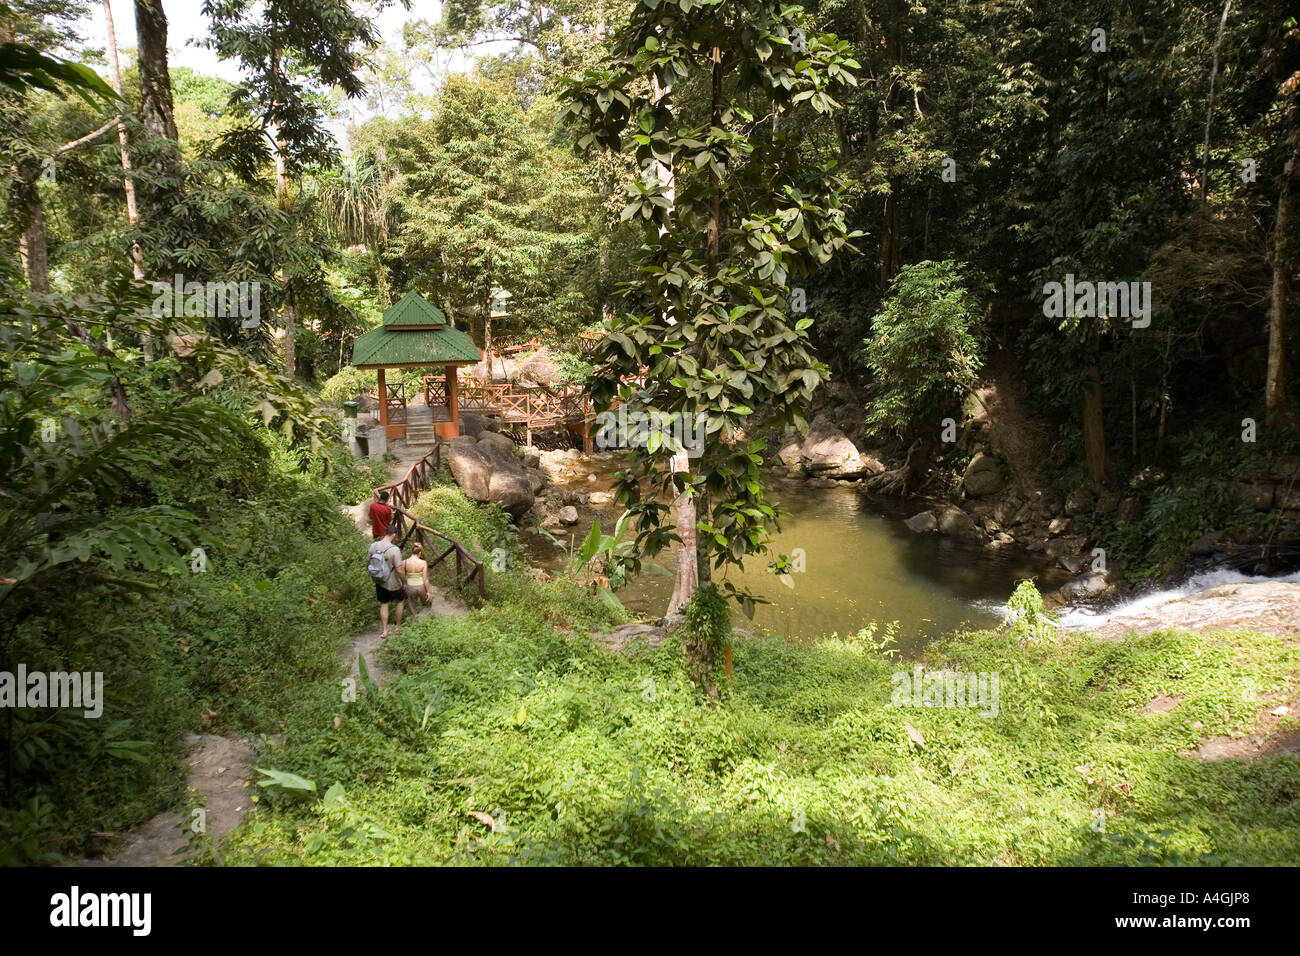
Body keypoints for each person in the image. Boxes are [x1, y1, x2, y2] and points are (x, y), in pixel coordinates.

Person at [367, 527, 404, 638]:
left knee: (384, 604)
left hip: (379, 580)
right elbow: (399, 569)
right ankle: (397, 627)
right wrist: (404, 582)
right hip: (393, 582)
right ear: (394, 534)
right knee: (400, 601)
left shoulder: (374, 546)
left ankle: (385, 630)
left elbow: (368, 561)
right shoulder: (395, 549)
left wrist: (372, 574)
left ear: (385, 533)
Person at [402, 542, 432, 618]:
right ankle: (423, 619)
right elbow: (425, 579)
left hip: (410, 587)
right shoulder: (423, 563)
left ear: (412, 551)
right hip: (421, 587)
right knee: (427, 604)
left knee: (411, 606)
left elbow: (402, 576)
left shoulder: (404, 562)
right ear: (420, 552)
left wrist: (404, 584)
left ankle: (414, 622)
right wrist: (428, 591)